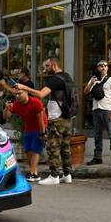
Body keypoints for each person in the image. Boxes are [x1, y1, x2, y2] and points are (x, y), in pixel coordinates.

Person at [20, 55, 75, 185]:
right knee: (65, 147)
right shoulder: (67, 77)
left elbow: (40, 94)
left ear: (53, 64)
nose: (45, 70)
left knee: (53, 146)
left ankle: (54, 176)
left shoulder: (55, 79)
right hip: (67, 117)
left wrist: (24, 88)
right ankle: (67, 175)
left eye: (47, 66)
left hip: (56, 117)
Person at [6, 86, 46, 183]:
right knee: (28, 149)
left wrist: (43, 133)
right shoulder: (16, 104)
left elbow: (41, 120)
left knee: (35, 149)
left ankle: (34, 173)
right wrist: (6, 108)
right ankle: (33, 171)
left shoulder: (36, 102)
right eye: (16, 94)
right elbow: (7, 117)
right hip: (28, 128)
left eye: (20, 93)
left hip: (40, 127)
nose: (18, 96)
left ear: (26, 93)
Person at [85, 61, 111, 167]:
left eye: (105, 65)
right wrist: (91, 82)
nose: (103, 67)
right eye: (101, 65)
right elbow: (86, 91)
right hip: (96, 109)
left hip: (107, 110)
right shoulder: (94, 80)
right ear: (98, 68)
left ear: (107, 68)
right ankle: (97, 157)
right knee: (97, 135)